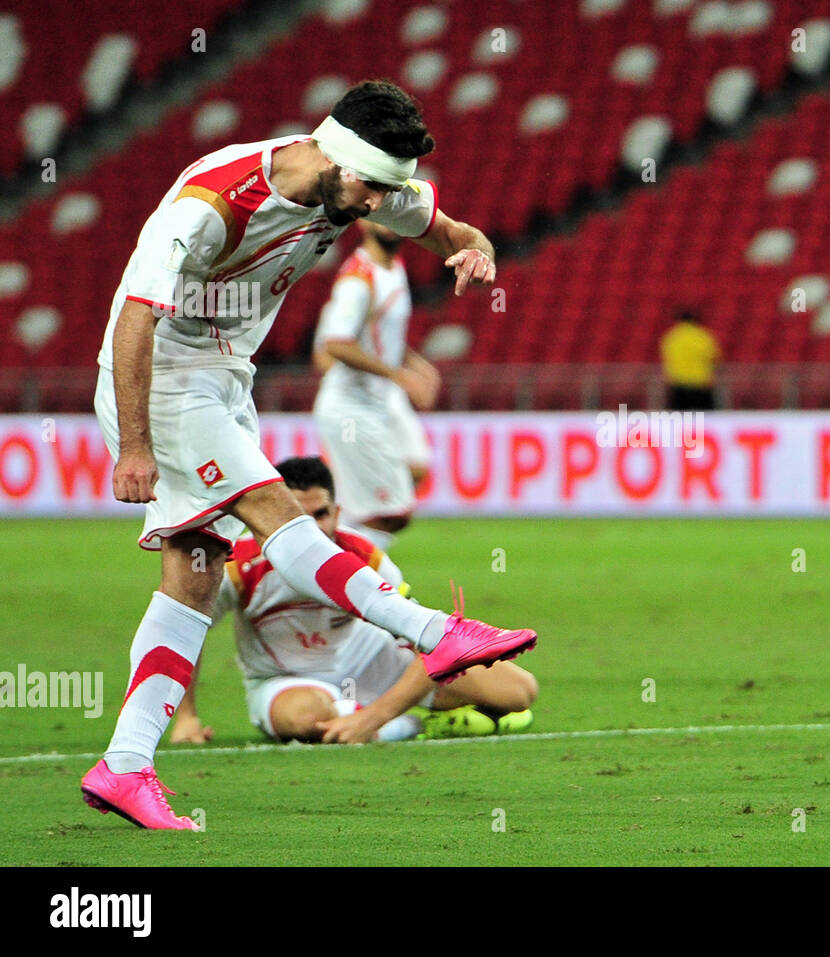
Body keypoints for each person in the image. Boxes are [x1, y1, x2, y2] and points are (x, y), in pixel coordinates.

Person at [83, 80, 537, 830]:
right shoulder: (211, 204)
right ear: (337, 158)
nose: (373, 210)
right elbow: (133, 321)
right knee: (277, 510)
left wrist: (473, 251)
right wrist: (134, 445)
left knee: (193, 579)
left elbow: (451, 230)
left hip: (227, 378)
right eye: (371, 190)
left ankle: (126, 765)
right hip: (162, 376)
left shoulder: (361, 183)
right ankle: (433, 632)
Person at [169, 457, 537, 746]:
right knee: (305, 718)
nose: (312, 527)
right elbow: (187, 629)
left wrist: (373, 716)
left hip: (373, 663)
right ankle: (405, 725)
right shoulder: (238, 566)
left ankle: (381, 722)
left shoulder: (365, 556)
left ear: (337, 513)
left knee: (519, 691)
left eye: (321, 514)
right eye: (298, 516)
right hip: (287, 680)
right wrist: (186, 717)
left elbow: (429, 646)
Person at [312, 220, 437, 549]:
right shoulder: (357, 278)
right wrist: (398, 375)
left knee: (413, 472)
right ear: (364, 220)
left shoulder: (394, 268)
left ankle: (341, 550)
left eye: (398, 217)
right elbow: (334, 345)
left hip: (380, 402)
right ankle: (339, 574)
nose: (392, 225)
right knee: (390, 512)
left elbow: (386, 335)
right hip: (351, 407)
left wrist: (416, 366)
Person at [660, 308, 720, 411]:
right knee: (706, 418)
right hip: (700, 383)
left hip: (678, 383)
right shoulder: (702, 336)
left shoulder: (672, 337)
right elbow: (714, 358)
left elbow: (666, 358)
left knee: (680, 419)